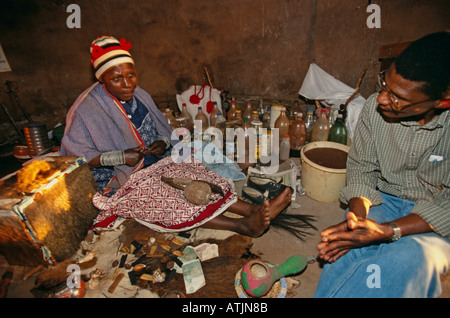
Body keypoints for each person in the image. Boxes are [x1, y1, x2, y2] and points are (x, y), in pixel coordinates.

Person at [60, 35, 292, 237]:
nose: (127, 84)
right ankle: (241, 226)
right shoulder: (87, 109)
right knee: (170, 198)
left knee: (197, 177)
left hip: (154, 163)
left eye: (131, 75)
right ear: (101, 79)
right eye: (116, 78)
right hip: (120, 179)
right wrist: (120, 157)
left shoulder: (138, 94)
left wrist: (161, 143)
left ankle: (252, 210)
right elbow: (77, 157)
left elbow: (163, 129)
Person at [314, 31, 450, 298]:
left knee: (405, 261)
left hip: (435, 214)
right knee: (345, 251)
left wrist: (388, 231)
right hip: (383, 198)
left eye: (398, 97)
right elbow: (362, 169)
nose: (381, 99)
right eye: (384, 84)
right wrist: (358, 218)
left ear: (442, 102)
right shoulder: (375, 113)